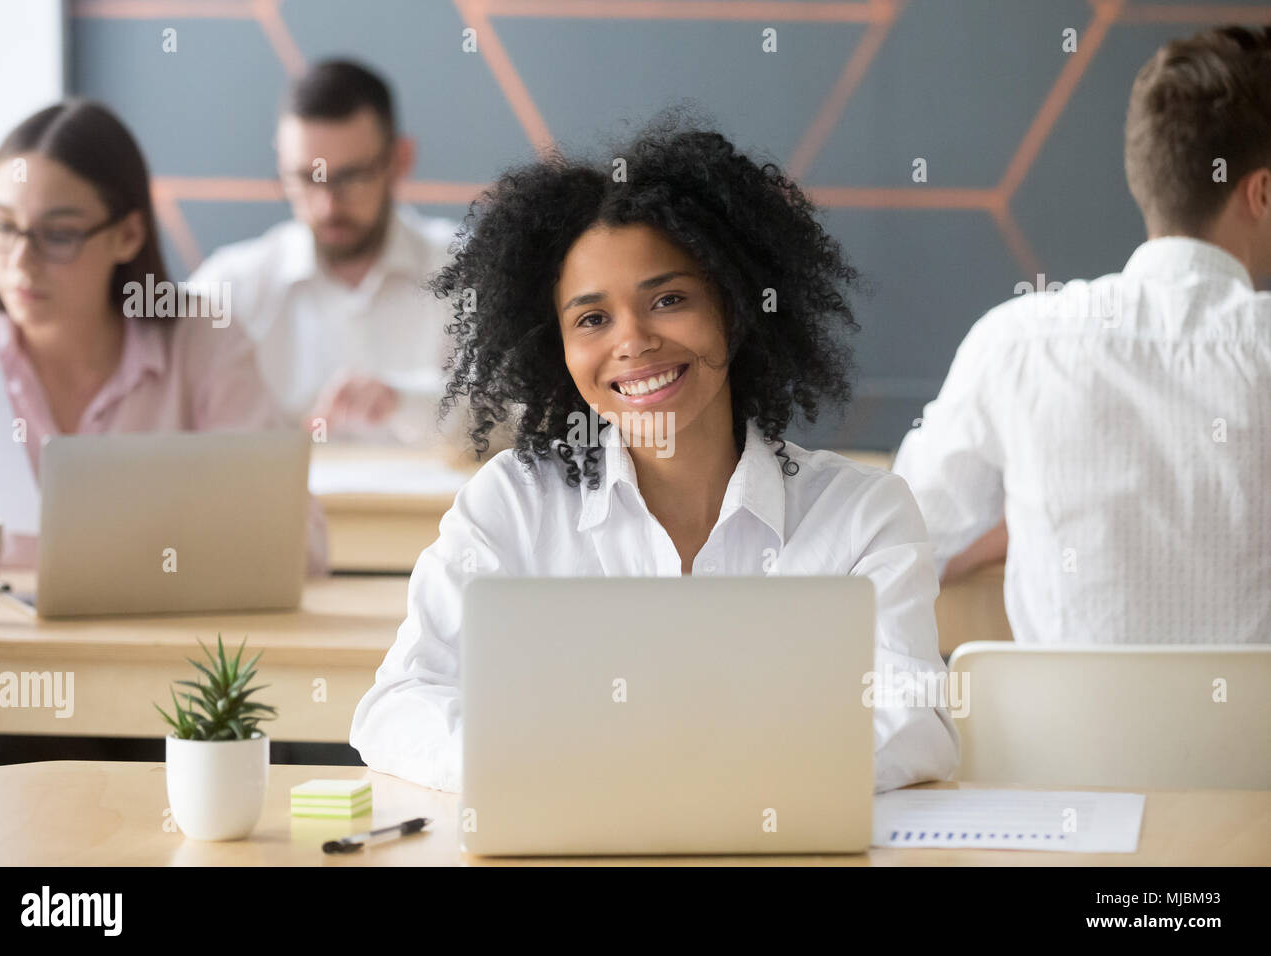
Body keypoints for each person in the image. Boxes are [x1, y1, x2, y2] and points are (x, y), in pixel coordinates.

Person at [350, 112, 960, 794]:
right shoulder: (512, 505)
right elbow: (398, 704)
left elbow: (913, 725)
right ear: (556, 347)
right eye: (592, 319)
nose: (633, 341)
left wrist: (690, 779)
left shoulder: (862, 516)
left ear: (732, 309)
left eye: (668, 299)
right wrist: (552, 773)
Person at [893, 25, 1271, 644]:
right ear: (1259, 191)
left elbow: (897, 541)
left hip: (1060, 745)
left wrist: (1019, 524)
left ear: (1144, 176)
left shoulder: (1018, 344)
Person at [0, 99, 328, 574]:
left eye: (58, 235)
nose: (20, 261)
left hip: (166, 644)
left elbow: (299, 544)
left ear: (128, 235)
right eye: (2, 225)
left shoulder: (203, 342)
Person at [189, 59, 462, 448]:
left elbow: (514, 414)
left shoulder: (466, 268)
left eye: (351, 177)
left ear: (399, 160)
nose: (327, 205)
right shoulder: (232, 285)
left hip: (436, 511)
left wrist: (402, 400)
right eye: (305, 178)